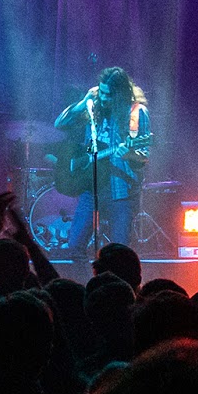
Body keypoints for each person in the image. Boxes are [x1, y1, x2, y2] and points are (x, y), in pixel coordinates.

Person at [53, 67, 151, 258]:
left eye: (109, 95)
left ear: (121, 93)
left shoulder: (136, 112)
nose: (104, 98)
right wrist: (83, 103)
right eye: (102, 92)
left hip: (121, 192)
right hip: (92, 188)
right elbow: (60, 124)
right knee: (74, 248)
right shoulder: (94, 108)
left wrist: (129, 154)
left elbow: (144, 155)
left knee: (120, 254)